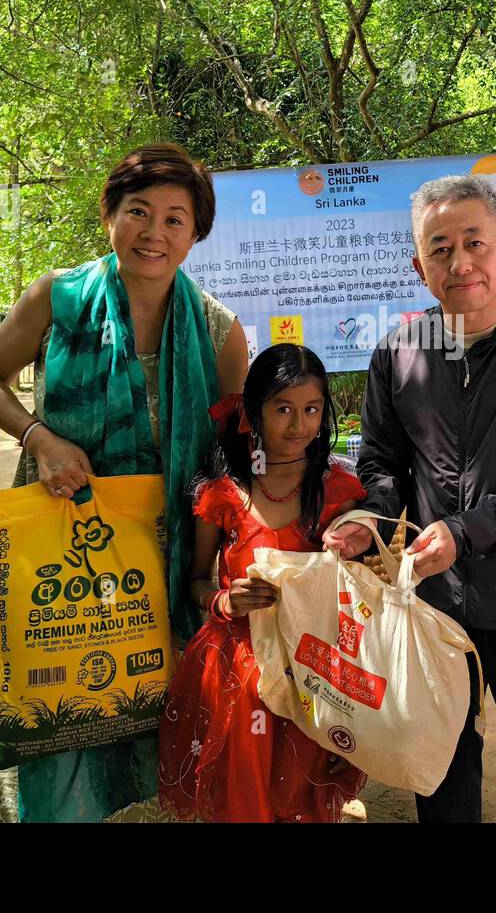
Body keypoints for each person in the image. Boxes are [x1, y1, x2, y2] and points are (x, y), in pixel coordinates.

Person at [0, 142, 249, 822]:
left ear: (195, 233)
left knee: (165, 721)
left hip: (168, 564)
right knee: (62, 721)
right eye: (137, 211)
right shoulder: (57, 301)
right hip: (62, 556)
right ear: (110, 218)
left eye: (175, 218)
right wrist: (41, 437)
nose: (154, 232)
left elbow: (236, 457)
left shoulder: (218, 331)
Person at [327, 174, 496, 823]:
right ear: (420, 267)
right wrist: (372, 519)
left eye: (474, 242)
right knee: (442, 771)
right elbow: (382, 462)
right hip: (436, 609)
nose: (460, 262)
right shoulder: (399, 352)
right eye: (441, 248)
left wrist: (465, 531)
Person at [158, 343, 368, 822]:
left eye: (312, 409)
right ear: (253, 413)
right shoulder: (223, 493)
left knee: (303, 793)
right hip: (238, 670)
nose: (299, 426)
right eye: (283, 410)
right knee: (244, 795)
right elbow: (195, 580)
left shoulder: (337, 491)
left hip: (314, 665)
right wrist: (223, 602)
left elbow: (352, 592)